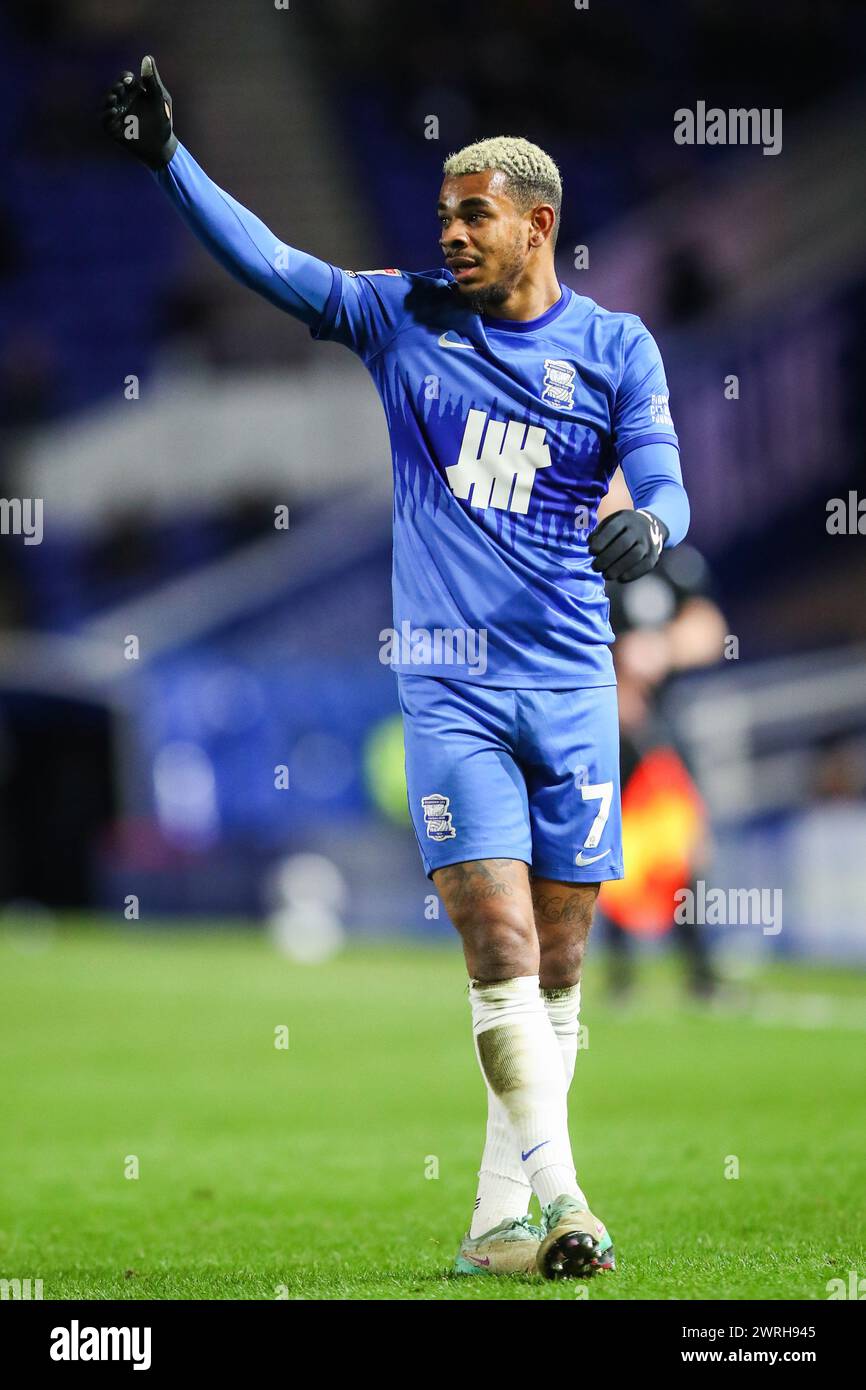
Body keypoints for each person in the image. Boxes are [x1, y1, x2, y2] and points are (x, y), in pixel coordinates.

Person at [102, 58, 690, 1280]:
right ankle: (567, 1198)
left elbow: (664, 471)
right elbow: (273, 264)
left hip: (574, 685)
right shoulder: (401, 315)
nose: (449, 234)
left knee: (562, 969)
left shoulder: (617, 346)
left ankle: (491, 1225)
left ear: (537, 224)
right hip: (450, 689)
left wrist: (657, 525)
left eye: (472, 215)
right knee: (498, 945)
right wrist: (172, 162)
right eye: (441, 215)